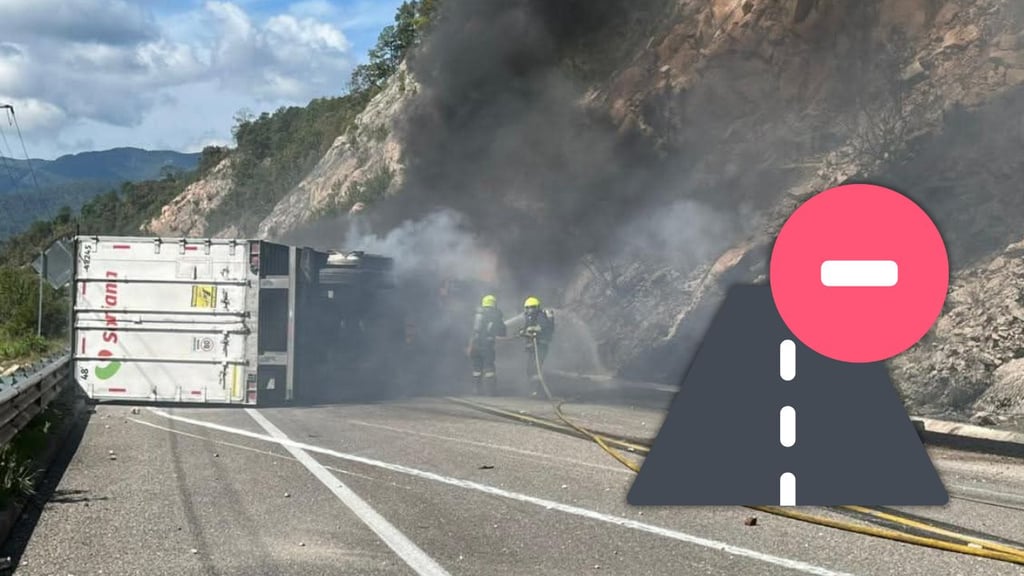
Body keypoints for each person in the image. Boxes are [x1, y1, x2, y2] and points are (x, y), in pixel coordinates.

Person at [468, 294, 507, 395]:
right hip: (487, 345)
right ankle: (491, 391)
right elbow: (502, 331)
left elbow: (472, 329)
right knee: (489, 369)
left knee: (477, 369)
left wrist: (470, 345)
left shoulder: (478, 314)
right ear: (494, 303)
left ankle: (476, 390)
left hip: (476, 344)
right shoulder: (496, 314)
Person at [519, 296, 555, 397]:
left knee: (535, 368)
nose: (529, 310)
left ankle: (537, 391)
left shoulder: (540, 315)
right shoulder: (530, 318)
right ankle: (534, 390)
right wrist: (523, 331)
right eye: (528, 307)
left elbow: (544, 326)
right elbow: (527, 329)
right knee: (530, 369)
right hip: (533, 347)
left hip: (540, 346)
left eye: (532, 307)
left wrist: (533, 329)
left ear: (536, 308)